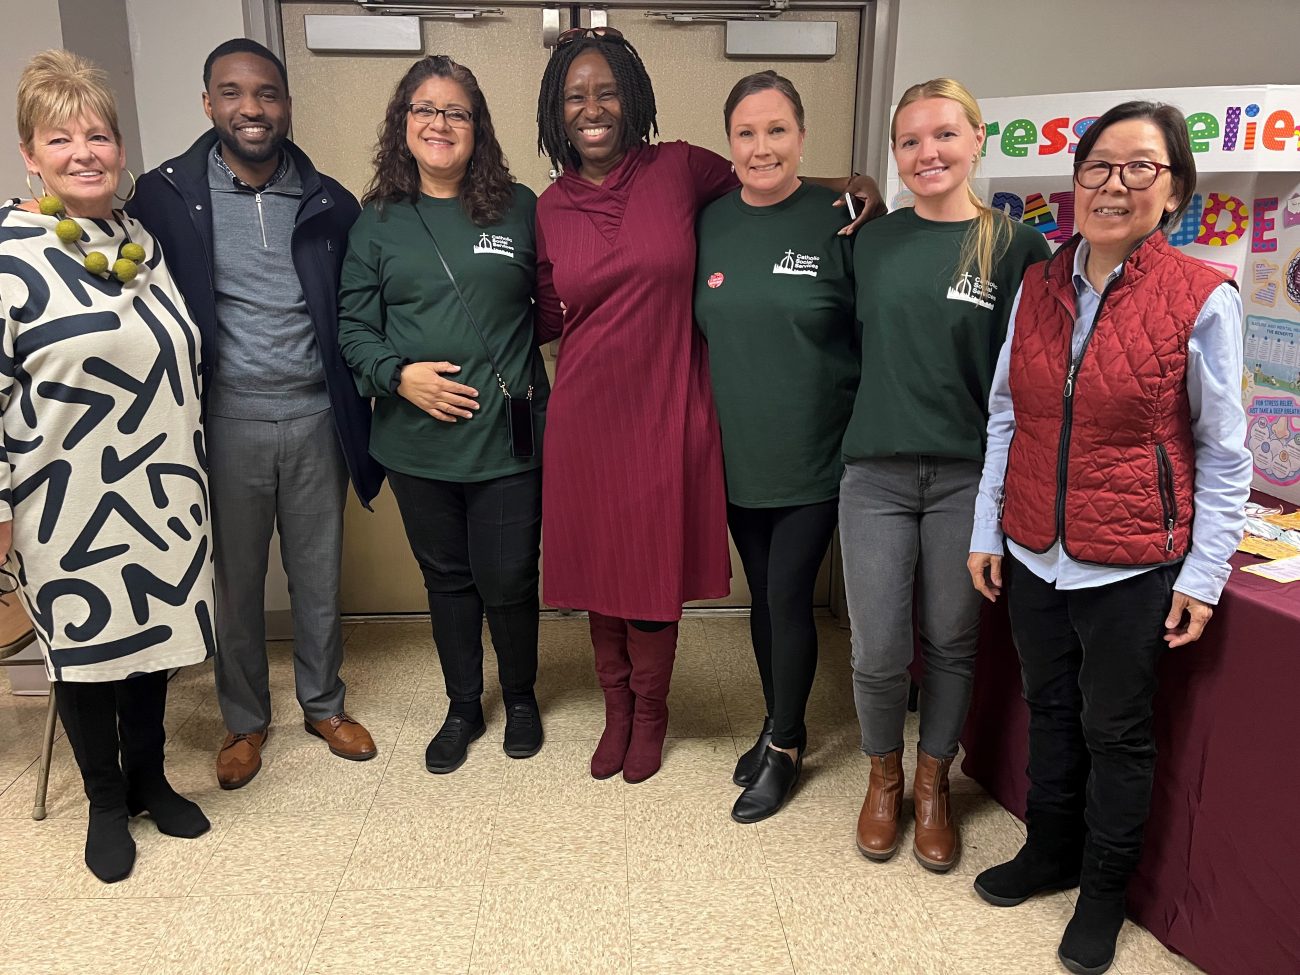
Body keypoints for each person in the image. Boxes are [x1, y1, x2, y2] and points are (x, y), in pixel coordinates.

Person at [534, 27, 879, 784]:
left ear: (633, 98)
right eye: (574, 97)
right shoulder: (548, 207)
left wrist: (851, 189)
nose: (592, 108)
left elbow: (769, 185)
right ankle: (616, 710)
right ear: (556, 115)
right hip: (586, 416)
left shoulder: (683, 169)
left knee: (648, 564)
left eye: (607, 90)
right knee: (598, 566)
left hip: (668, 408)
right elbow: (545, 315)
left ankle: (651, 714)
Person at [966, 101, 1251, 975]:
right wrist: (989, 526)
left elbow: (1223, 449)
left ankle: (1103, 891)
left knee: (1116, 732)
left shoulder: (1202, 294)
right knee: (1050, 710)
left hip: (1132, 561)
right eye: (1098, 166)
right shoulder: (1040, 284)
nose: (1114, 185)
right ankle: (1050, 849)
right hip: (1033, 547)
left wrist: (1202, 576)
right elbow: (1008, 415)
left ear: (1172, 192)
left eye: (1140, 168)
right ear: (1075, 180)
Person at [129, 39, 385, 790]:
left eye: (267, 93)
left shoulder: (331, 201)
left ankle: (324, 703)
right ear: (208, 103)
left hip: (314, 415)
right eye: (233, 93)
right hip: (224, 419)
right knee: (236, 582)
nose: (252, 108)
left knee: (318, 574)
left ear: (286, 105)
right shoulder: (162, 195)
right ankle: (244, 720)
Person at [3, 50, 214, 883]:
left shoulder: (139, 242)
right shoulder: (13, 250)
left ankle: (149, 776)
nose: (85, 152)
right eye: (62, 139)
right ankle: (102, 798)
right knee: (86, 645)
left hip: (159, 482)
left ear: (120, 149)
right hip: (62, 492)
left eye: (99, 135)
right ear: (30, 154)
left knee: (153, 635)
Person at [842, 79, 1051, 872]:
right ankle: (884, 779)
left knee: (954, 639)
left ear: (977, 141)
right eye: (909, 142)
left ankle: (935, 784)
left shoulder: (1016, 247)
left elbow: (1024, 383)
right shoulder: (870, 240)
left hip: (968, 478)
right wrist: (849, 186)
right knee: (878, 648)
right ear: (894, 155)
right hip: (875, 473)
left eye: (944, 136)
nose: (927, 153)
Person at [338, 55, 548, 773]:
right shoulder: (377, 223)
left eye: (455, 111)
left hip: (509, 438)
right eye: (424, 109)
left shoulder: (519, 207)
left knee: (512, 575)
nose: (439, 123)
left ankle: (520, 695)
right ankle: (464, 704)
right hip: (417, 444)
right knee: (448, 578)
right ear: (403, 124)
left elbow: (558, 299)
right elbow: (353, 329)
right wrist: (400, 376)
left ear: (477, 128)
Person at [693, 71, 857, 822]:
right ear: (731, 142)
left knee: (789, 593)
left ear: (801, 135)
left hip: (816, 451)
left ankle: (787, 745)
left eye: (778, 130)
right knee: (761, 595)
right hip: (734, 451)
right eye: (747, 133)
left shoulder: (845, 218)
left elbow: (873, 329)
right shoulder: (709, 221)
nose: (763, 147)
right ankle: (774, 719)